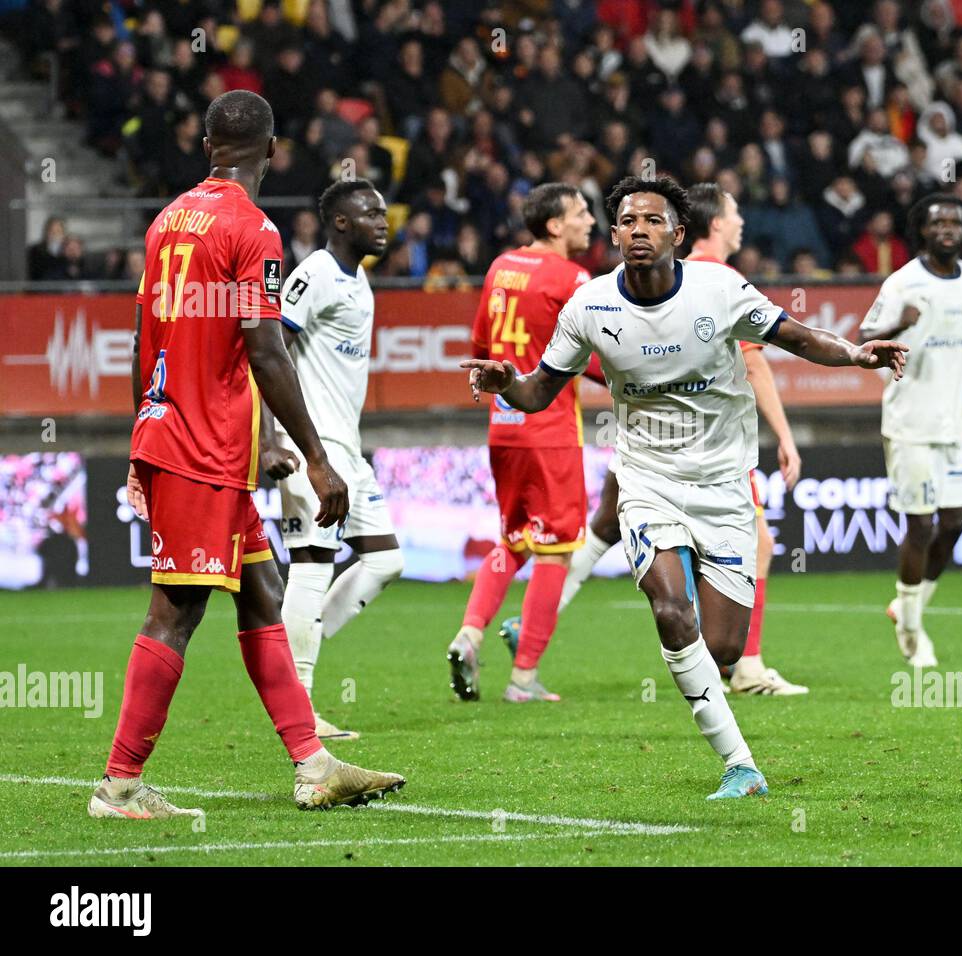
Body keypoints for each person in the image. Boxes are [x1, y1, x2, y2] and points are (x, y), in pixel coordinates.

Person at [462, 175, 906, 799]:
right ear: (614, 235)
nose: (638, 229)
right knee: (670, 609)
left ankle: (713, 689)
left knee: (720, 645)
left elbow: (797, 337)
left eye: (652, 220)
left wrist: (858, 356)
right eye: (626, 221)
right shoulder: (589, 304)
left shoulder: (718, 289)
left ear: (678, 233)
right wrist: (507, 379)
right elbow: (538, 391)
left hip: (724, 481)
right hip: (647, 479)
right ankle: (739, 764)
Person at [89, 91, 404, 820]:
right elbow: (265, 345)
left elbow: (143, 336)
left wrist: (146, 425)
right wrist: (318, 460)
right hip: (201, 447)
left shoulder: (168, 220)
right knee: (175, 612)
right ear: (272, 150)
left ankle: (313, 763)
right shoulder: (253, 230)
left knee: (260, 597)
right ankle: (120, 785)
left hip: (190, 437)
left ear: (207, 147)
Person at [543, 181, 808, 695]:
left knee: (604, 528)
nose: (741, 224)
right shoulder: (716, 279)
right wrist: (784, 435)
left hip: (659, 443)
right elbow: (754, 363)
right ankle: (745, 666)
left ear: (679, 232)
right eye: (734, 215)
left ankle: (542, 619)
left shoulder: (705, 280)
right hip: (693, 453)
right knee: (751, 549)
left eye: (652, 221)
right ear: (709, 225)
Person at [259, 178, 402, 742]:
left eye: (385, 212)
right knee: (314, 564)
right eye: (372, 213)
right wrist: (271, 441)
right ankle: (299, 699)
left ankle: (293, 661)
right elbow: (267, 350)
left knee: (385, 562)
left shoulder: (357, 276)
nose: (384, 221)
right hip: (308, 447)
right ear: (340, 222)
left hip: (346, 446)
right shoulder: (315, 274)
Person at [446, 183, 598, 703]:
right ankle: (524, 679)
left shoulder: (500, 266)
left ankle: (470, 632)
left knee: (512, 542)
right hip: (551, 429)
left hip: (503, 428)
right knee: (555, 553)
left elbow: (483, 350)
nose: (591, 222)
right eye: (581, 214)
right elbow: (599, 358)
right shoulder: (574, 278)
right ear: (554, 225)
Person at [860, 193, 962, 667]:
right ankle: (914, 631)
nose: (947, 229)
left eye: (956, 222)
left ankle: (906, 607)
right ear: (923, 229)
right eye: (938, 222)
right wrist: (900, 323)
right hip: (911, 422)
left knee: (955, 523)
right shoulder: (902, 283)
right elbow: (862, 342)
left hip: (957, 421)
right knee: (920, 525)